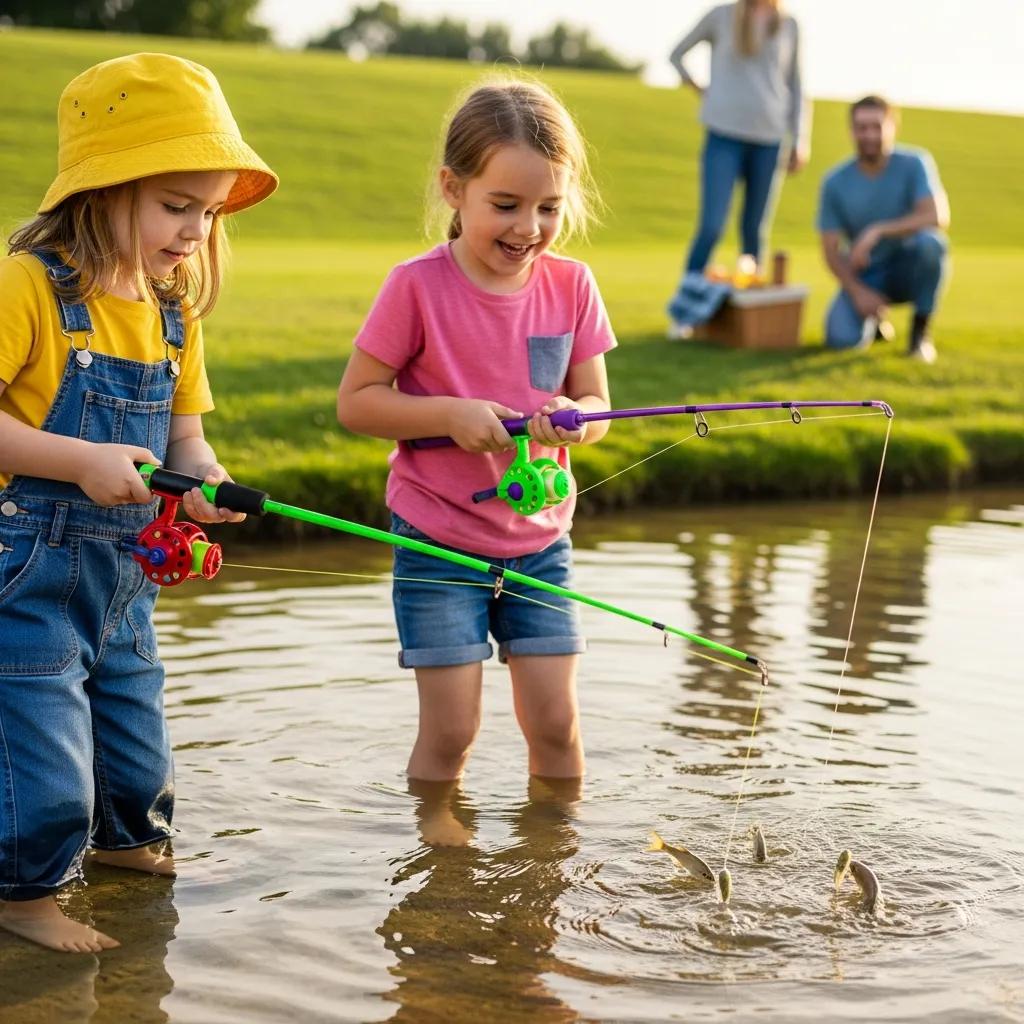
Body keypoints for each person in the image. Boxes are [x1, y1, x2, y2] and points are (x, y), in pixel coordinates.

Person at [0, 53, 277, 953]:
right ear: (103, 190)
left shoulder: (170, 314)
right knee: (45, 756)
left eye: (208, 209)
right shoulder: (29, 288)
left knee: (135, 745)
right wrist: (78, 461)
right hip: (27, 577)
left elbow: (185, 441)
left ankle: (128, 848)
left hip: (125, 582)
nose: (196, 230)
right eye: (175, 205)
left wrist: (203, 487)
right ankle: (24, 891)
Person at [337, 79, 615, 785]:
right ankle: (440, 881)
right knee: (453, 732)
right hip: (435, 540)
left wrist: (574, 418)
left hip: (541, 544)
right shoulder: (416, 286)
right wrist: (449, 415)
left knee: (556, 724)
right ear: (453, 190)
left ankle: (552, 862)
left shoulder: (573, 284)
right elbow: (358, 403)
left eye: (549, 207)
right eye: (506, 205)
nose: (528, 227)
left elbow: (596, 405)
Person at [668, 0, 810, 333]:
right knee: (712, 225)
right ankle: (684, 313)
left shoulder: (788, 24)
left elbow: (798, 87)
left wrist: (800, 138)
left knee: (754, 230)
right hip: (724, 134)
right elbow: (676, 54)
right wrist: (701, 88)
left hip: (770, 138)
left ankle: (752, 319)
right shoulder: (721, 16)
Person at [818, 95, 950, 362]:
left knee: (932, 244)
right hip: (867, 274)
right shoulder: (835, 182)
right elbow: (830, 251)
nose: (869, 135)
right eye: (862, 127)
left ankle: (919, 336)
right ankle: (874, 323)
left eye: (877, 126)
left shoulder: (915, 163)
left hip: (907, 267)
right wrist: (857, 292)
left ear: (892, 127)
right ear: (852, 131)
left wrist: (876, 231)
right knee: (840, 339)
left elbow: (937, 216)